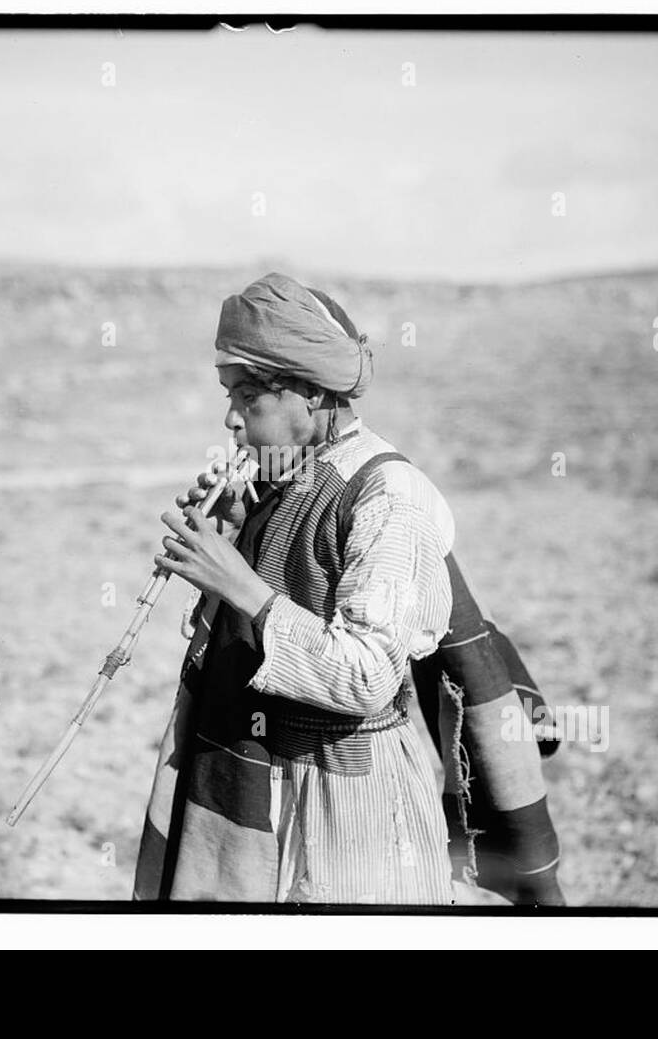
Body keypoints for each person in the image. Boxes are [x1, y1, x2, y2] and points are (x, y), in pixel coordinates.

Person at [133, 272, 458, 903]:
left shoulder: (390, 495)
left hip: (352, 805)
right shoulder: (278, 485)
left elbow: (367, 676)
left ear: (309, 394)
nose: (230, 418)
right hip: (266, 788)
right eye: (229, 395)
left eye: (249, 397)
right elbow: (238, 645)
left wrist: (242, 584)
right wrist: (226, 546)